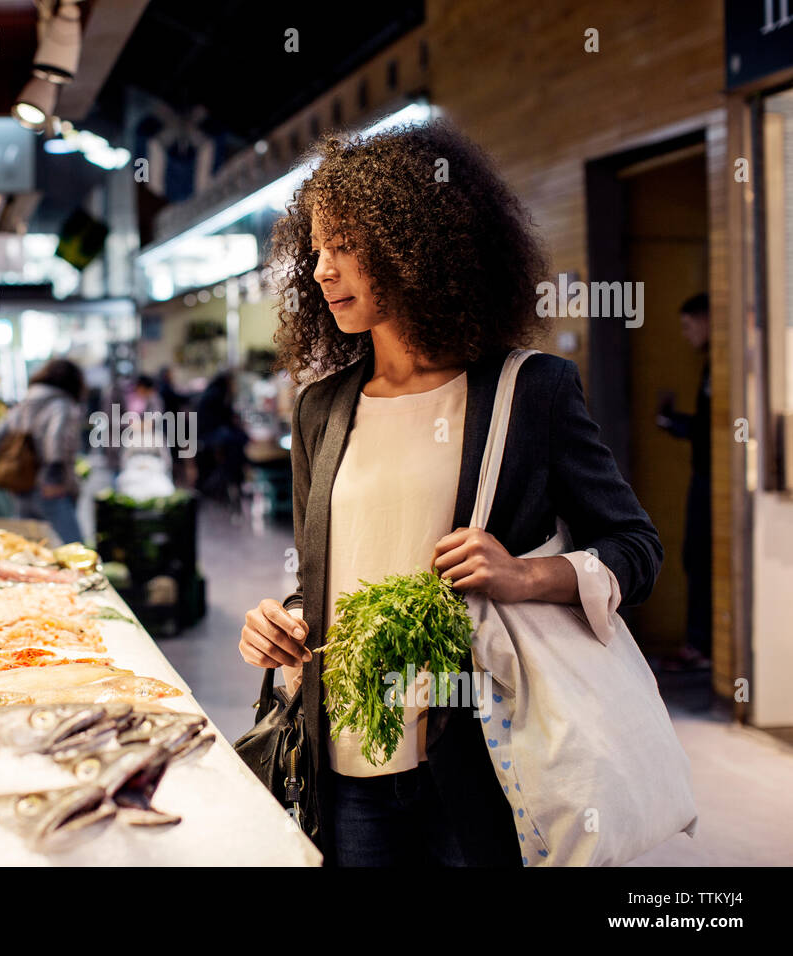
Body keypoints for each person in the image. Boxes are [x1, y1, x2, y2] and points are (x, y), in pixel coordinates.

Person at [237, 120, 664, 867]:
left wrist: (527, 573)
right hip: (345, 755)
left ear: (413, 244)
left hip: (478, 751)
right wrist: (282, 626)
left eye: (344, 246)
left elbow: (636, 548)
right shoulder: (321, 408)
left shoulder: (528, 392)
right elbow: (322, 576)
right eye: (314, 250)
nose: (321, 272)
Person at [655, 293, 711, 671]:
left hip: (712, 479)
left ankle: (701, 647)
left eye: (689, 325)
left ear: (708, 319)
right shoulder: (711, 364)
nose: (686, 335)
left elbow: (710, 431)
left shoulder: (720, 364)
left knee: (701, 556)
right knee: (695, 556)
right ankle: (700, 644)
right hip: (703, 474)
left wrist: (675, 424)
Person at [0, 358, 85, 544]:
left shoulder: (25, 403)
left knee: (27, 544)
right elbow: (56, 439)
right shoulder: (62, 405)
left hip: (21, 482)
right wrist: (55, 477)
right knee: (74, 544)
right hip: (49, 485)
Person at [195, 370, 249, 505]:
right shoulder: (216, 394)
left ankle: (236, 476)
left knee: (238, 438)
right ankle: (235, 476)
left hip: (206, 433)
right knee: (239, 440)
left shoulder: (213, 392)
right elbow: (224, 417)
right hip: (209, 435)